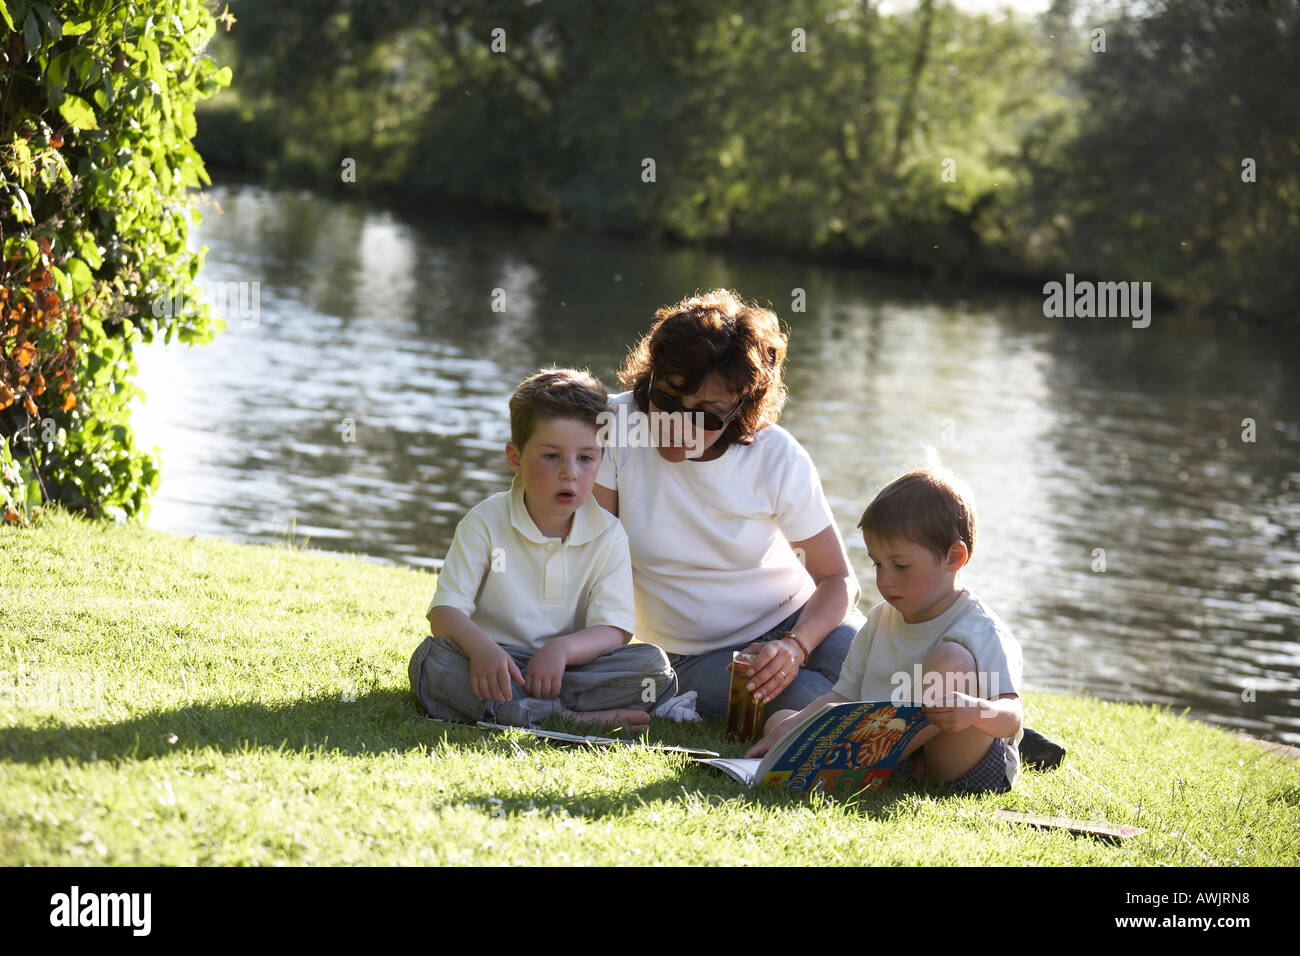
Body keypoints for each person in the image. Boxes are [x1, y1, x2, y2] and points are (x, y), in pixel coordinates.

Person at [592, 289, 864, 719]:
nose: (677, 425)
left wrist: (796, 644)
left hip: (802, 620)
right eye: (665, 400)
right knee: (825, 710)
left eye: (705, 415)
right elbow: (589, 558)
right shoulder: (616, 428)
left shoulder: (776, 455)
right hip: (694, 656)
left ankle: (992, 741)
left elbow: (838, 580)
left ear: (742, 406)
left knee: (897, 680)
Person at [408, 368, 677, 729]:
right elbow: (444, 613)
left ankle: (525, 713)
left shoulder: (609, 534)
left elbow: (613, 629)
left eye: (586, 458)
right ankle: (568, 717)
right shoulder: (485, 521)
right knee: (431, 660)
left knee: (653, 668)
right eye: (552, 456)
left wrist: (561, 651)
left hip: (569, 670)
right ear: (516, 458)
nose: (570, 473)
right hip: (496, 666)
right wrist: (481, 648)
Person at [746, 466, 1024, 794]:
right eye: (877, 564)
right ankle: (873, 765)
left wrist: (979, 711)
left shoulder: (980, 628)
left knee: (953, 661)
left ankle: (862, 766)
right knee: (781, 721)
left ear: (954, 557)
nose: (885, 580)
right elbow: (842, 697)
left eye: (901, 566)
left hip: (962, 764)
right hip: (894, 754)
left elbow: (1012, 715)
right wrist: (790, 731)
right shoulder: (880, 619)